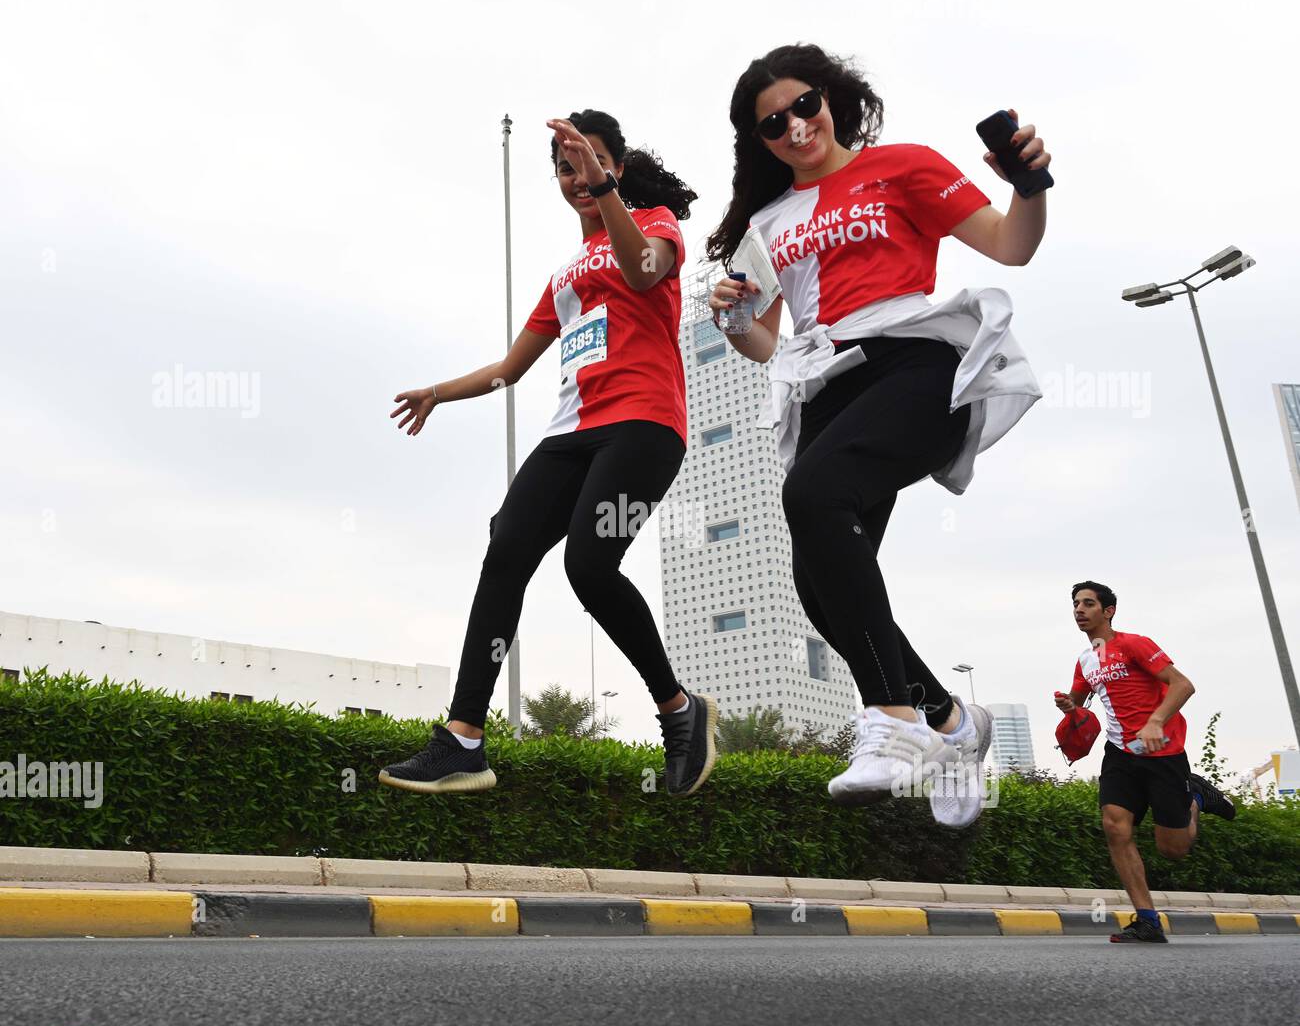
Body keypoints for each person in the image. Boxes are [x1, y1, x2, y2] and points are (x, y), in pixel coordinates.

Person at [706, 43, 1045, 827]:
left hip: (916, 368)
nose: (794, 127)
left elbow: (1012, 244)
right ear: (756, 142)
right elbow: (767, 342)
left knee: (814, 494)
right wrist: (731, 318)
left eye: (804, 106)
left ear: (833, 98)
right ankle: (954, 724)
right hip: (826, 387)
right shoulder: (765, 223)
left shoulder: (906, 166)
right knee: (821, 594)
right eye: (770, 125)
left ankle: (891, 715)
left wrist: (1028, 185)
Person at [380, 111, 718, 798]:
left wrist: (611, 196)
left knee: (589, 564)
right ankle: (464, 739)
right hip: (572, 429)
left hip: (646, 424)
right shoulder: (564, 275)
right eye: (565, 169)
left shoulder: (655, 223)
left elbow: (643, 272)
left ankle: (678, 710)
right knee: (506, 545)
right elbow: (511, 366)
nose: (577, 179)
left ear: (617, 165)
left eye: (591, 164)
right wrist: (438, 393)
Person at [1058, 581, 1236, 944]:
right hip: (1120, 754)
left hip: (1163, 754)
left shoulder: (1135, 644)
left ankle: (1196, 798)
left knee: (1173, 850)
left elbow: (1182, 685)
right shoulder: (1085, 660)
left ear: (1108, 611)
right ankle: (1147, 920)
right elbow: (1080, 701)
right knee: (1115, 827)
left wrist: (1155, 720)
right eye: (1076, 604)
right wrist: (1069, 707)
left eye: (1088, 604)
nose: (1079, 610)